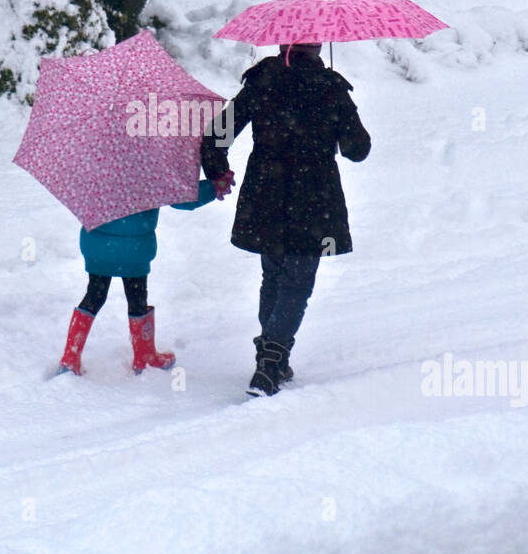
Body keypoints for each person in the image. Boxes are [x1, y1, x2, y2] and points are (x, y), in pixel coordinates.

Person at [201, 42, 370, 397]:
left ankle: (273, 358)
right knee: (296, 282)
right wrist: (337, 118)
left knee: (274, 275)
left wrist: (218, 172)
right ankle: (270, 361)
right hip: (314, 197)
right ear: (318, 45)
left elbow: (216, 136)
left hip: (266, 193)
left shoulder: (261, 81)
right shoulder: (331, 87)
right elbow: (359, 150)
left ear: (282, 44)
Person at [58, 171, 234, 377]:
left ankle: (70, 357)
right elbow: (182, 197)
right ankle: (144, 355)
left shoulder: (96, 164)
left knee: (94, 295)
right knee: (137, 299)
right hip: (134, 248)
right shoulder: (151, 166)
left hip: (98, 244)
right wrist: (214, 187)